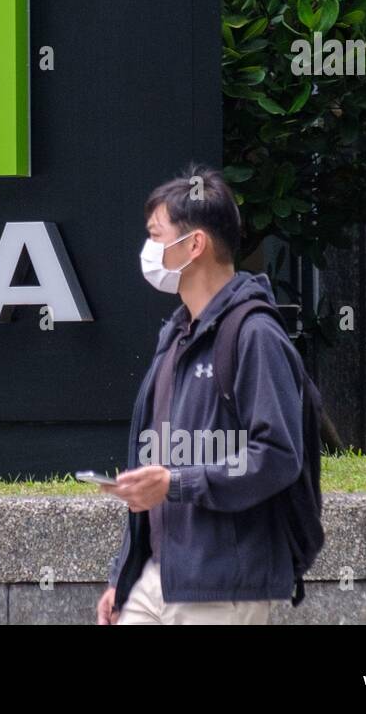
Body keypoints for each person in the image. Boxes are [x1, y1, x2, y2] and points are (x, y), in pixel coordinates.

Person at [96, 164, 305, 625]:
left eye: (156, 235)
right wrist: (123, 575)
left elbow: (277, 456)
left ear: (194, 245)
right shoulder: (175, 337)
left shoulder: (255, 335)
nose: (148, 250)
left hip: (222, 587)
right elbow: (157, 462)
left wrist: (177, 482)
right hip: (157, 579)